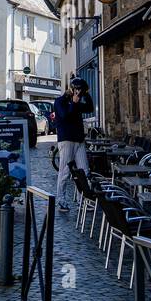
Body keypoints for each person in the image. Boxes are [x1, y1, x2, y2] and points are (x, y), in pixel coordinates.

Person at [53, 76, 94, 213]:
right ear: (70, 89)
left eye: (80, 90)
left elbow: (90, 108)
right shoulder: (60, 102)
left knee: (84, 171)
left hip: (79, 140)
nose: (78, 92)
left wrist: (86, 94)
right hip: (66, 140)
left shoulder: (76, 102)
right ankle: (61, 200)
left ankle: (84, 201)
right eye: (76, 89)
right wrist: (74, 103)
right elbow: (65, 116)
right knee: (64, 171)